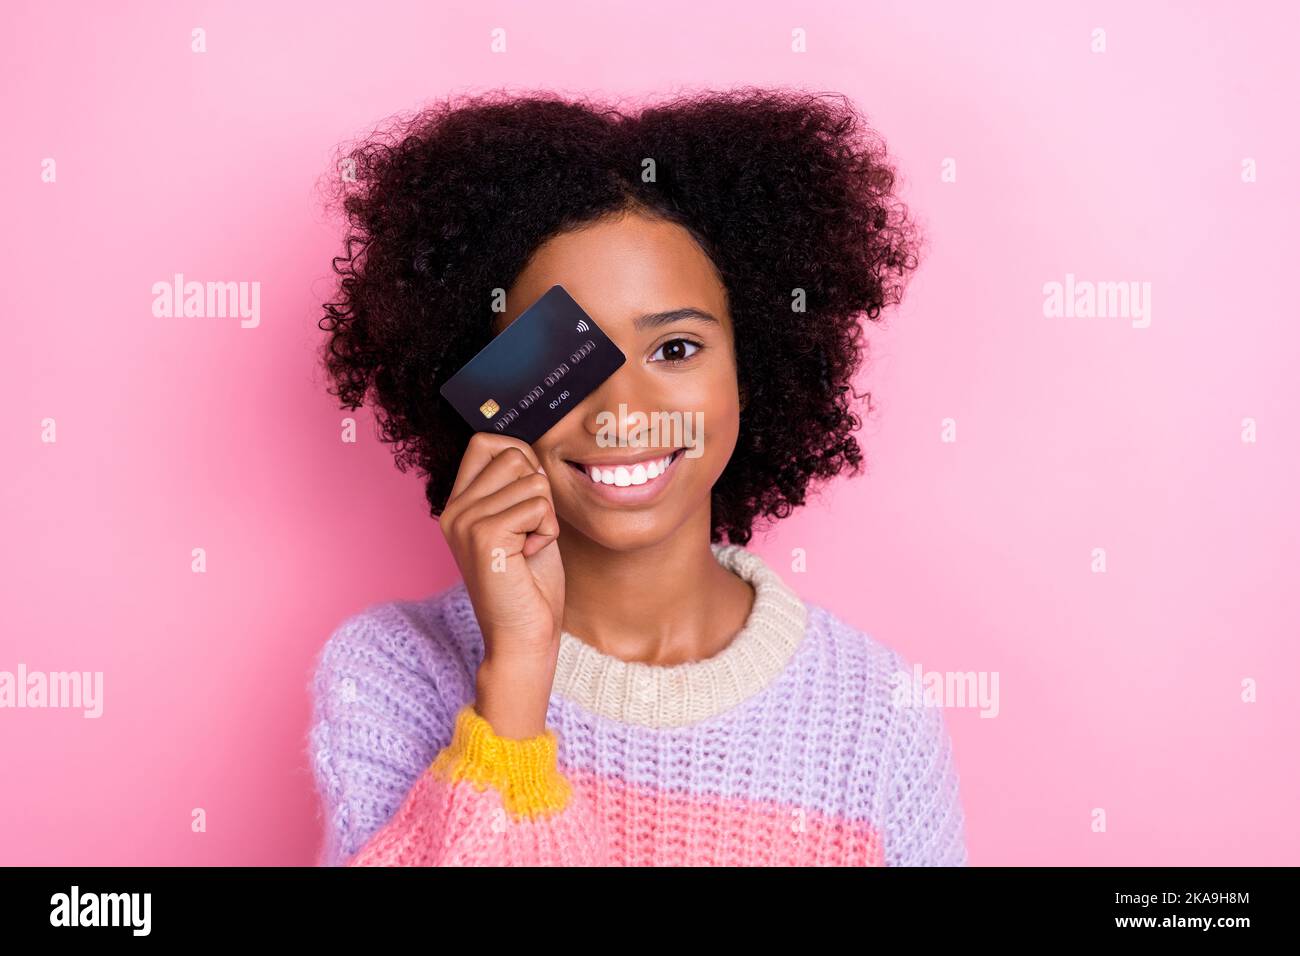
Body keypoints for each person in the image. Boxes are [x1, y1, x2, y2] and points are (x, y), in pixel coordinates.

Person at [308, 87, 968, 866]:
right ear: (490, 392)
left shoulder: (875, 715)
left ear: (750, 371)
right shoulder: (391, 672)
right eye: (566, 361)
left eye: (676, 350)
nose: (621, 413)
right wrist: (517, 677)